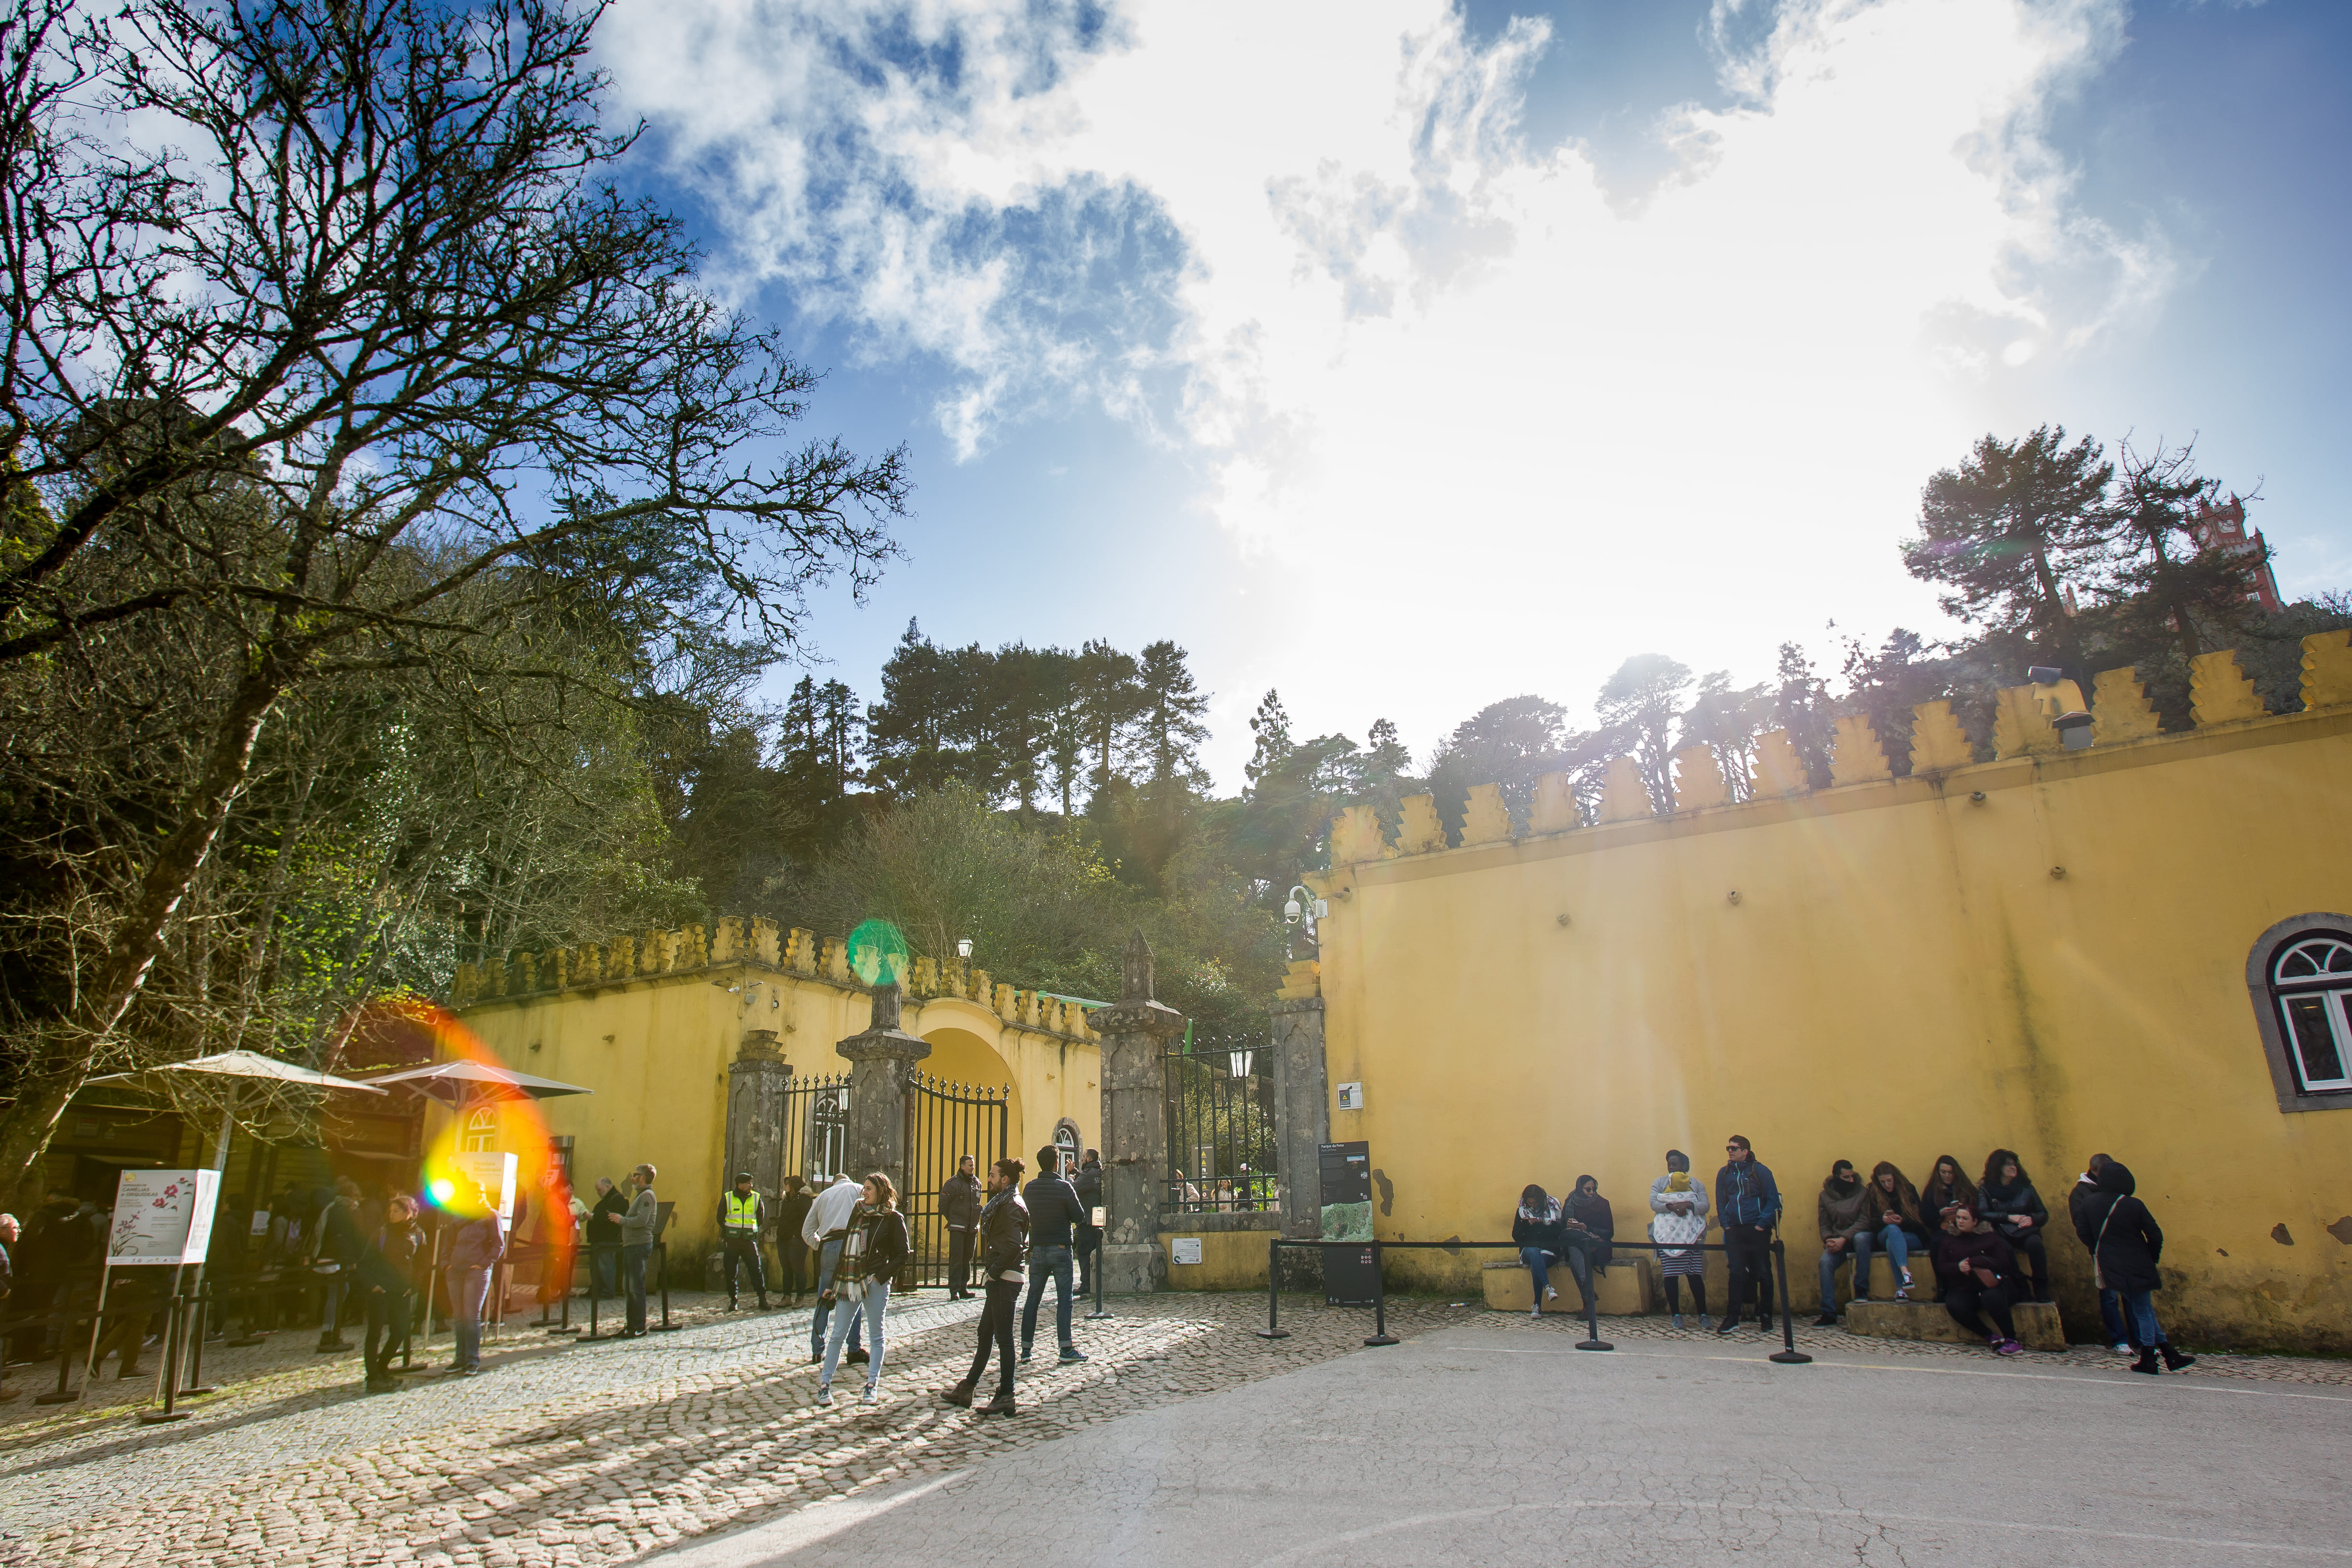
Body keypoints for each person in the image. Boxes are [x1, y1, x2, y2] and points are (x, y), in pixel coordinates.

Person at [2076, 1161, 2195, 1375]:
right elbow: (2155, 1235)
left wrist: (2101, 1250)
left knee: (2143, 1308)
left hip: (2110, 1264)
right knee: (2142, 1309)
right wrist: (2151, 1258)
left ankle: (2169, 1354)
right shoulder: (2133, 1204)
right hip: (2138, 1262)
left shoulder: (2089, 1203)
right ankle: (2149, 1357)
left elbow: (2083, 1233)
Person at [941, 1156, 1029, 1416]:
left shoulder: (1012, 1205)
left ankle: (1007, 1394)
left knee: (1003, 1338)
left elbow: (1015, 1245)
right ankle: (967, 1387)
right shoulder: (1004, 1202)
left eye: (992, 1175)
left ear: (1005, 1179)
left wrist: (993, 1272)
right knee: (985, 1334)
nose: (987, 1180)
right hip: (1000, 1277)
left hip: (1006, 1278)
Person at [818, 1173, 910, 1407]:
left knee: (876, 1335)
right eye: (864, 1189)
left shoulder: (892, 1218)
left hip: (875, 1283)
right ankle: (825, 1385)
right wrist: (831, 1286)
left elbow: (902, 1254)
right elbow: (844, 1253)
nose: (864, 1193)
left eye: (869, 1189)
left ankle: (871, 1385)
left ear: (881, 1190)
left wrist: (880, 1278)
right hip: (850, 1281)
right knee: (838, 1333)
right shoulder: (857, 1213)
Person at [1021, 1145, 1090, 1365]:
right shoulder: (1064, 1188)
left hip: (1038, 1248)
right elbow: (1079, 1215)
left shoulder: (1029, 1189)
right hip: (1060, 1247)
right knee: (1064, 1300)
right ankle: (1065, 1347)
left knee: (1032, 1299)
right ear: (1056, 1163)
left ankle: (1026, 1349)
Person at [1930, 1204, 2023, 1355]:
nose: (1960, 1222)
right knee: (1954, 1305)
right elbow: (1942, 1265)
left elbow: (2003, 1263)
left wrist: (1976, 1262)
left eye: (1965, 1219)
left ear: (1975, 1222)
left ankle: (2012, 1340)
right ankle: (1990, 1336)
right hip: (1966, 1287)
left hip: (1994, 1285)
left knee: (1991, 1297)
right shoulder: (1949, 1240)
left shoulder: (1990, 1238)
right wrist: (1958, 1267)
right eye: (1958, 1218)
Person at [1714, 1135, 1780, 1335]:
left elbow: (1773, 1200)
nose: (1731, 1151)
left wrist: (1761, 1225)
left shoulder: (1761, 1171)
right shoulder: (1724, 1173)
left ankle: (1766, 1316)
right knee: (1736, 1272)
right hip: (1735, 1229)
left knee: (1763, 1271)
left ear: (1746, 1151)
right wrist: (1726, 1225)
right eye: (1729, 1148)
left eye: (1735, 1148)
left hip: (1757, 1228)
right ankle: (1732, 1317)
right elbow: (1720, 1200)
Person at [2068, 1154, 2135, 1352]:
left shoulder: (2114, 1187)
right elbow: (2081, 1226)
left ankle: (2141, 1341)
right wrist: (2097, 1246)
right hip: (2101, 1251)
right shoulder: (2080, 1193)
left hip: (2125, 1248)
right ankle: (2119, 1341)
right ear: (2094, 1171)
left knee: (2132, 1295)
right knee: (2110, 1296)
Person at [802, 1170, 867, 1365]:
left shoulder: (822, 1196)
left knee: (824, 1298)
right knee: (853, 1296)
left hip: (828, 1245)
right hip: (851, 1243)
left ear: (834, 1183)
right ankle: (853, 1348)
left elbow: (807, 1232)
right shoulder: (858, 1189)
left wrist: (819, 1245)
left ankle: (817, 1349)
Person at [360, 1194, 423, 1392]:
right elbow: (364, 1263)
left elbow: (422, 1263)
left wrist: (414, 1286)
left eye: (397, 1211)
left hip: (401, 1291)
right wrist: (373, 1286)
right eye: (391, 1211)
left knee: (400, 1331)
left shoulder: (419, 1235)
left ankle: (382, 1367)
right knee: (375, 1334)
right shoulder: (382, 1233)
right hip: (381, 1290)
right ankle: (373, 1377)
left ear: (409, 1213)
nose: (392, 1214)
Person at [443, 1182, 506, 1376]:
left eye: (480, 1192)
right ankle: (460, 1358)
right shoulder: (457, 1216)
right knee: (459, 1317)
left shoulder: (490, 1216)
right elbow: (448, 1242)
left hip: (476, 1272)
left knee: (471, 1316)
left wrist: (484, 1263)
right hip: (455, 1270)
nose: (477, 1195)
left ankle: (472, 1359)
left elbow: (498, 1243)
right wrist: (446, 1264)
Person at [1976, 1150, 2052, 1303]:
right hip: (2001, 1232)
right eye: (2008, 1165)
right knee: (2004, 1250)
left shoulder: (2026, 1188)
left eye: (2014, 1164)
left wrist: (2031, 1219)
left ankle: (2041, 1287)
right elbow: (1983, 1213)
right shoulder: (1986, 1190)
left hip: (2027, 1231)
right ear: (1998, 1168)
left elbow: (2043, 1213)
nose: (2013, 1168)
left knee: (2035, 1245)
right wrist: (2007, 1217)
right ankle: (2021, 1286)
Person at [1648, 1152, 1709, 1328]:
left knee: (1695, 1276)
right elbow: (1654, 1203)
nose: (1671, 1166)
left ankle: (1703, 1314)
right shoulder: (1660, 1183)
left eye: (1675, 1164)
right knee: (1671, 1276)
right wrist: (1671, 1206)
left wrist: (1689, 1205)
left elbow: (1705, 1206)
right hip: (1668, 1235)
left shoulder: (1696, 1185)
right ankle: (1676, 1314)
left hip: (1692, 1236)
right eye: (1669, 1163)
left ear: (1685, 1166)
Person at [1813, 1159, 1876, 1324]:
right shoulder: (1825, 1196)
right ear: (1836, 1177)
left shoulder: (1863, 1193)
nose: (1851, 1181)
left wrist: (1843, 1238)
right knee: (1825, 1263)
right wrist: (1829, 1240)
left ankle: (1861, 1289)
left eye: (1852, 1176)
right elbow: (1824, 1223)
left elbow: (1864, 1221)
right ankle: (1829, 1313)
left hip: (1859, 1235)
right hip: (1837, 1240)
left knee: (1861, 1239)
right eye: (1846, 1178)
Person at [313, 1178, 365, 1352]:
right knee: (338, 1294)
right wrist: (358, 1257)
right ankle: (330, 1333)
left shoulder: (331, 1208)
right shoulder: (352, 1210)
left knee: (334, 1294)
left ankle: (329, 1331)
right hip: (341, 1259)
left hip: (325, 1255)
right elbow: (357, 1236)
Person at [1865, 1162, 1929, 1300]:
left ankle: (1900, 1290)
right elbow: (1871, 1224)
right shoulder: (1874, 1193)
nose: (1887, 1185)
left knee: (1891, 1243)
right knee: (1892, 1230)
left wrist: (1902, 1222)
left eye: (1889, 1181)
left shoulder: (1909, 1190)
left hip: (1910, 1235)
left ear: (1895, 1178)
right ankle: (1906, 1273)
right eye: (1883, 1182)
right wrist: (1884, 1220)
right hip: (1885, 1232)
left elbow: (1920, 1221)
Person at [1559, 1175, 1614, 1311]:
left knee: (1574, 1260)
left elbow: (1609, 1232)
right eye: (1588, 1190)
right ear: (1579, 1189)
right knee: (1574, 1251)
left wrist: (1587, 1228)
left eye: (1594, 1189)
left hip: (1598, 1247)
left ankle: (1587, 1305)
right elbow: (1562, 1230)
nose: (1592, 1193)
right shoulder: (1571, 1202)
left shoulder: (1602, 1204)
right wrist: (1568, 1224)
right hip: (1579, 1246)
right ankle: (1589, 1297)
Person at [717, 1172, 769, 1311]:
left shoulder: (756, 1198)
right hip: (732, 1241)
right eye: (748, 1183)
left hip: (748, 1241)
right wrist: (729, 1231)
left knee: (756, 1270)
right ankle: (733, 1300)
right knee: (731, 1271)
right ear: (740, 1185)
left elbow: (760, 1218)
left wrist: (752, 1230)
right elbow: (720, 1218)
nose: (751, 1185)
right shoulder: (728, 1198)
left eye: (751, 1183)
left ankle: (762, 1299)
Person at [619, 1163, 659, 1337]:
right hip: (631, 1246)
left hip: (639, 1246)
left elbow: (641, 1221)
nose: (632, 1178)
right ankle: (630, 1326)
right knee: (628, 1288)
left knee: (636, 1288)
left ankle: (639, 1327)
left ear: (643, 1178)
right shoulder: (640, 1195)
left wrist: (622, 1221)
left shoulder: (647, 1196)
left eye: (635, 1175)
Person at [1513, 1184, 1562, 1314]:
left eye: (1536, 1203)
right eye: (1530, 1203)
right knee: (1534, 1252)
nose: (1533, 1206)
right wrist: (1527, 1225)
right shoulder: (1522, 1212)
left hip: (1548, 1248)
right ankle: (1548, 1288)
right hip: (1529, 1249)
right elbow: (1516, 1236)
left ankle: (1537, 1305)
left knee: (1537, 1263)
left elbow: (1558, 1233)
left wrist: (1542, 1225)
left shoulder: (1552, 1210)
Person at [942, 1156, 984, 1301]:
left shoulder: (977, 1183)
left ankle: (963, 1287)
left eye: (973, 1165)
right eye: (970, 1165)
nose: (973, 1168)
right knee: (957, 1259)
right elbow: (943, 1205)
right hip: (958, 1227)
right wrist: (953, 1219)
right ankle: (954, 1290)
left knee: (967, 1258)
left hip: (972, 1227)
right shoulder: (952, 1184)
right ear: (962, 1166)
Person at [585, 1176, 625, 1300]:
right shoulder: (609, 1199)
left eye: (600, 1190)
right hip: (599, 1239)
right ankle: (598, 1289)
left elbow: (610, 1217)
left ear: (608, 1187)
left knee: (606, 1266)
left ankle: (607, 1291)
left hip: (607, 1238)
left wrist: (594, 1217)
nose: (598, 1193)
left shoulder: (617, 1199)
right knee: (596, 1266)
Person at [777, 1176, 814, 1300]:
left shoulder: (803, 1199)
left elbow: (807, 1219)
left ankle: (800, 1297)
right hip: (784, 1238)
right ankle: (786, 1297)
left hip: (796, 1240)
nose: (785, 1187)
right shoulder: (787, 1200)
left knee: (798, 1268)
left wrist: (796, 1234)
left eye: (787, 1184)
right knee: (786, 1269)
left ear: (793, 1186)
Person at [1073, 1150, 1103, 1298]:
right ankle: (1096, 1283)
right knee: (1096, 1251)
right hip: (1099, 1219)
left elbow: (1074, 1188)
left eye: (1083, 1157)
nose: (1082, 1159)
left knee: (1084, 1252)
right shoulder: (1100, 1172)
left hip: (1087, 1220)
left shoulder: (1088, 1175)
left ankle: (1086, 1284)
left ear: (1089, 1159)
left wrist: (1071, 1177)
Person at [1919, 1155, 1978, 1227]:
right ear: (1938, 1172)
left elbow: (1977, 1209)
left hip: (1967, 1228)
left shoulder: (1966, 1188)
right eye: (1943, 1172)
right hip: (1943, 1229)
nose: (1947, 1176)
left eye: (1951, 1172)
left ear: (1956, 1173)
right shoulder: (1931, 1191)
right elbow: (1925, 1218)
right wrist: (1939, 1214)